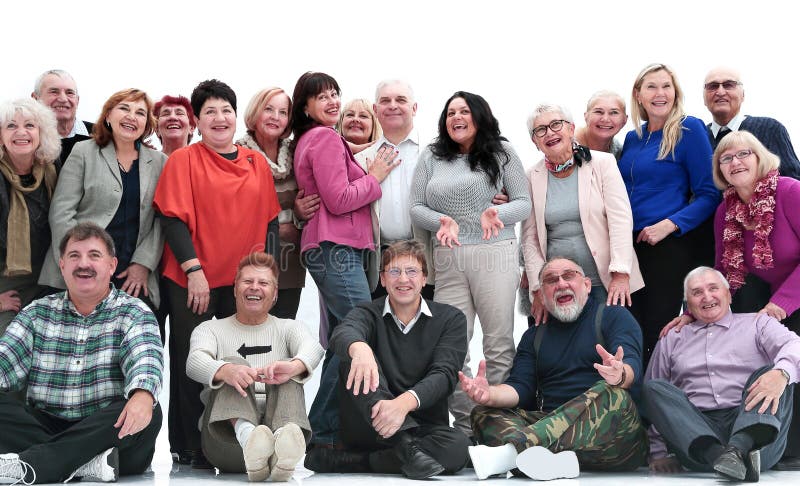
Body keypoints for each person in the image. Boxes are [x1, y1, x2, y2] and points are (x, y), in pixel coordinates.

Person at [153, 79, 281, 466]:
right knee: (192, 358)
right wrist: (194, 271)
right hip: (193, 278)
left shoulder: (255, 162)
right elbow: (172, 219)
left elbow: (270, 222)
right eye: (210, 111)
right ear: (197, 120)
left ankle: (228, 440)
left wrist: (266, 276)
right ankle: (188, 444)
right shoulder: (183, 160)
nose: (219, 117)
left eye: (226, 109)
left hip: (242, 281)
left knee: (238, 360)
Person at [663, 131, 800, 470]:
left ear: (759, 157)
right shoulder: (726, 208)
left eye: (743, 155)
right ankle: (755, 440)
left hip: (794, 288)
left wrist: (782, 303)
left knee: (792, 354)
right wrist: (692, 311)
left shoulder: (790, 191)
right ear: (719, 168)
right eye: (726, 158)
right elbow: (723, 268)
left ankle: (794, 449)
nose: (735, 162)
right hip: (759, 289)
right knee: (748, 343)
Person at [0, 222, 163, 484]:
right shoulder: (36, 313)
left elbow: (146, 362)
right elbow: (4, 361)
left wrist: (143, 394)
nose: (83, 263)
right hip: (48, 426)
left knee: (147, 407)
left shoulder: (134, 313)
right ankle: (87, 465)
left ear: (111, 265)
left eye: (94, 255)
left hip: (107, 429)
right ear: (62, 265)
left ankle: (35, 465)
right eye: (74, 256)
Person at [409, 90, 531, 436]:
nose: (457, 118)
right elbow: (416, 206)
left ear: (479, 116)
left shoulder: (503, 152)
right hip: (448, 257)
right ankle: (465, 425)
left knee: (497, 341)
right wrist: (441, 221)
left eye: (464, 111)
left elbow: (523, 203)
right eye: (450, 113)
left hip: (495, 251)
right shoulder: (432, 157)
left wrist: (497, 212)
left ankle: (493, 424)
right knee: (451, 344)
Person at [461, 257, 647, 481]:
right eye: (551, 280)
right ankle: (554, 462)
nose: (561, 284)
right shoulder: (533, 336)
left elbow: (632, 366)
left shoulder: (613, 316)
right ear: (541, 294)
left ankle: (509, 455)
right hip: (552, 431)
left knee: (613, 395)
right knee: (484, 413)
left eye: (569, 276)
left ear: (587, 285)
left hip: (613, 442)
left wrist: (621, 373)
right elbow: (520, 388)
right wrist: (489, 394)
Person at [290, 71, 397, 448]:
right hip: (334, 248)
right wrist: (376, 177)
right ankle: (324, 427)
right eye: (322, 97)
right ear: (305, 105)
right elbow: (338, 199)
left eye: (335, 93)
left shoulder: (317, 139)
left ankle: (322, 430)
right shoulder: (323, 138)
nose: (333, 101)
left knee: (345, 338)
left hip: (333, 248)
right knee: (363, 331)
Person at [304, 240, 470, 479]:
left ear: (424, 278)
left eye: (411, 271)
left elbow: (444, 375)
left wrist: (402, 405)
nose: (403, 279)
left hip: (422, 426)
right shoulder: (367, 312)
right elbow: (342, 334)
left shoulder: (450, 319)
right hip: (370, 424)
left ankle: (360, 461)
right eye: (394, 271)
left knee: (458, 448)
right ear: (382, 279)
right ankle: (404, 446)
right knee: (351, 358)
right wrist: (360, 349)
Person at [644, 267, 800, 481]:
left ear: (728, 294)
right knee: (653, 387)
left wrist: (782, 373)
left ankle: (738, 449)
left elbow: (795, 345)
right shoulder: (672, 338)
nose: (706, 296)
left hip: (759, 439)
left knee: (775, 371)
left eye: (713, 288)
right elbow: (656, 400)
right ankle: (722, 457)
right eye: (697, 292)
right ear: (687, 305)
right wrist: (659, 453)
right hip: (698, 442)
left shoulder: (758, 323)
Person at [186, 252, 323, 481]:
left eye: (263, 283)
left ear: (275, 293)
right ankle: (250, 438)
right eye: (247, 281)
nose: (254, 288)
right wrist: (226, 370)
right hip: (227, 442)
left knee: (288, 368)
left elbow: (314, 349)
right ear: (235, 288)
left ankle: (283, 441)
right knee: (233, 365)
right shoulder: (210, 329)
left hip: (278, 437)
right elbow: (194, 362)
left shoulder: (289, 328)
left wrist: (292, 367)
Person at [617, 63, 720, 361]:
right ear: (638, 95)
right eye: (651, 86)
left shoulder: (690, 129)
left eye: (666, 86)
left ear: (675, 93)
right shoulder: (634, 138)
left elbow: (709, 193)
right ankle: (630, 402)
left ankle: (658, 402)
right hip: (630, 247)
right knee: (629, 328)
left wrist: (671, 225)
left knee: (656, 329)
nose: (660, 93)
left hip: (667, 245)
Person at [39, 88, 166, 315]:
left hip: (131, 274)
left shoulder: (159, 162)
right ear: (108, 115)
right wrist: (77, 260)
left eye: (140, 113)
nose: (131, 116)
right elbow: (61, 211)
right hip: (79, 268)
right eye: (124, 108)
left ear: (147, 124)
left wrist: (143, 264)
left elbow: (162, 219)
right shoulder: (84, 151)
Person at [521, 102, 643, 327]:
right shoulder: (530, 177)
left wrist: (620, 273)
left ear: (571, 129)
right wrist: (538, 289)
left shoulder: (602, 163)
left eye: (556, 125)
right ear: (535, 141)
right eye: (541, 130)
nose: (550, 133)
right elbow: (530, 238)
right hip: (558, 289)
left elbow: (621, 219)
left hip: (606, 281)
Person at [237, 87, 316, 319]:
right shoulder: (237, 153)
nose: (275, 117)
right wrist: (279, 227)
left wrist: (298, 216)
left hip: (290, 260)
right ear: (255, 112)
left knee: (282, 328)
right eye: (268, 109)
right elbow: (236, 210)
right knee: (250, 331)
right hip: (251, 259)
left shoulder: (296, 151)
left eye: (283, 112)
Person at [353, 80, 434, 299]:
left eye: (401, 100)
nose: (393, 105)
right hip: (379, 264)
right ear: (375, 110)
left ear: (414, 108)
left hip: (429, 260)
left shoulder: (435, 152)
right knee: (382, 332)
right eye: (385, 100)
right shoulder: (359, 160)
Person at [0, 98, 60, 334]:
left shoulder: (53, 171)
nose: (21, 132)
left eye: (30, 125)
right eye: (11, 126)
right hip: (7, 284)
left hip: (48, 279)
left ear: (42, 133)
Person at [703, 66, 800, 180]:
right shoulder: (697, 137)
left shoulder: (770, 129)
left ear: (743, 95)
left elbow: (793, 182)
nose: (720, 92)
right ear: (704, 98)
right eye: (712, 86)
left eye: (728, 85)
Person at [31, 69, 93, 163]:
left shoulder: (103, 136)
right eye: (54, 92)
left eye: (69, 93)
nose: (63, 99)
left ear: (77, 100)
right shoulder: (26, 139)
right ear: (35, 99)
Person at [573, 90, 628, 160]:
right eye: (598, 111)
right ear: (586, 116)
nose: (605, 119)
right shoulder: (567, 146)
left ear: (625, 120)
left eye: (614, 112)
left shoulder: (620, 153)